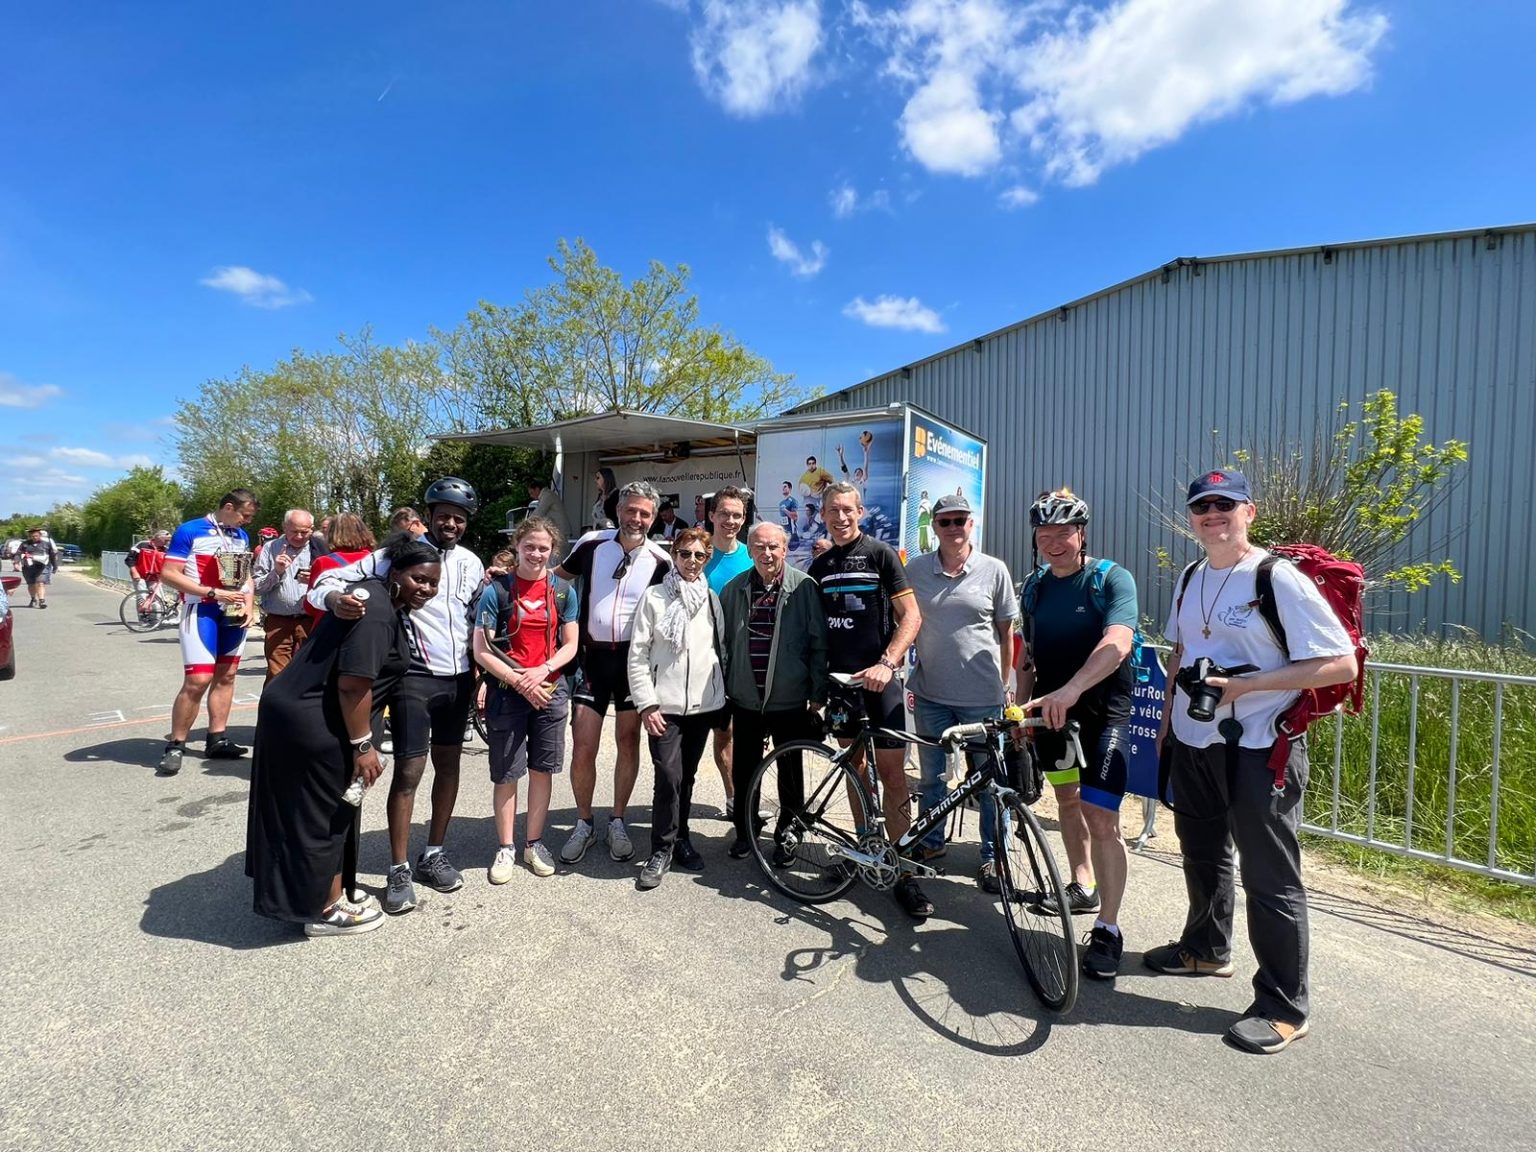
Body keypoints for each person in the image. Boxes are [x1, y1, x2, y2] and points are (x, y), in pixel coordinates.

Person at [1150, 469, 1356, 1055]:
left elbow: (1341, 664)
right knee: (1201, 852)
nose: (1212, 514)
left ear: (1249, 512)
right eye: (1201, 506)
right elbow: (1182, 652)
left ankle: (1284, 1004)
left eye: (1224, 504)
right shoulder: (1191, 575)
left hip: (1263, 745)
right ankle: (1205, 950)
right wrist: (1167, 724)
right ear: (1191, 518)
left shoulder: (1276, 577)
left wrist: (1249, 687)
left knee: (1269, 876)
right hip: (1196, 739)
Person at [245, 536, 442, 937]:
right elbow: (353, 685)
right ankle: (324, 910)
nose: (426, 588)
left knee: (326, 813)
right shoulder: (374, 610)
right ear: (396, 573)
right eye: (418, 578)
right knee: (324, 816)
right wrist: (364, 747)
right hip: (313, 719)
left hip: (307, 712)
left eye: (433, 582)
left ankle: (324, 896)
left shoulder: (379, 601)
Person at [307, 477, 485, 915]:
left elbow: (478, 618)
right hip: (415, 679)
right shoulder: (393, 556)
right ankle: (398, 867)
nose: (450, 523)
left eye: (459, 518)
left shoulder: (472, 563)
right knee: (408, 772)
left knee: (449, 769)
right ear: (428, 516)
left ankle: (433, 852)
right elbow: (324, 580)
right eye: (443, 514)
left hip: (459, 680)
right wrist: (334, 598)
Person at [1016, 488, 1140, 979]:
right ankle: (1081, 883)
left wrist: (1070, 691)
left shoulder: (1109, 578)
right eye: (1044, 534)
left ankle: (1108, 929)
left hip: (1103, 713)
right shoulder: (1034, 586)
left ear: (1081, 532)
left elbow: (1118, 643)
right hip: (1050, 713)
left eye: (1063, 532)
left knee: (1102, 818)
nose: (1053, 542)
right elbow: (1028, 654)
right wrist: (1019, 710)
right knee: (1066, 802)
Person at [809, 481, 927, 917]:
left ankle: (903, 866)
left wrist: (889, 662)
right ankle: (865, 850)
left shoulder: (880, 554)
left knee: (894, 777)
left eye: (847, 510)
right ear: (823, 515)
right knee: (855, 773)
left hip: (881, 683)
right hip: (842, 687)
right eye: (832, 511)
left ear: (860, 511)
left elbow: (911, 615)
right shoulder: (820, 564)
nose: (840, 518)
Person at [554, 480, 671, 865]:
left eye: (645, 513)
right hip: (591, 659)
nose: (636, 518)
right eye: (631, 510)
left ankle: (617, 819)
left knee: (627, 742)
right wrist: (507, 579)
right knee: (583, 745)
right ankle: (584, 822)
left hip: (632, 664)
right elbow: (556, 577)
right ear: (618, 510)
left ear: (653, 518)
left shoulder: (660, 559)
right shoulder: (591, 543)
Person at [907, 494, 1018, 895]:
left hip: (982, 699)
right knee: (932, 778)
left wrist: (1007, 686)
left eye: (960, 520)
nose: (954, 528)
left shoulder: (994, 570)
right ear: (934, 527)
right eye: (945, 521)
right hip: (931, 694)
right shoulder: (916, 570)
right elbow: (905, 621)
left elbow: (1007, 633)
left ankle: (994, 854)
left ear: (973, 524)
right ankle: (932, 843)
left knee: (989, 783)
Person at [472, 516, 579, 885]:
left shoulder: (563, 590)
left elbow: (571, 644)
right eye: (529, 546)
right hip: (508, 690)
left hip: (549, 689)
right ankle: (505, 846)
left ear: (553, 552)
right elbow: (481, 648)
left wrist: (542, 670)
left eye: (543, 548)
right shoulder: (497, 590)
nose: (536, 553)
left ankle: (534, 842)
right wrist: (519, 680)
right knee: (507, 772)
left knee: (541, 769)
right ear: (517, 546)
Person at [719, 523, 827, 857]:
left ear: (785, 548)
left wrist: (817, 696)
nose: (767, 554)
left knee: (790, 770)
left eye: (774, 547)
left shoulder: (804, 587)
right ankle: (745, 829)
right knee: (745, 768)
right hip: (745, 698)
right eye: (760, 547)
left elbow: (818, 645)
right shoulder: (734, 589)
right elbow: (723, 647)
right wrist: (722, 693)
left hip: (789, 699)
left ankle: (788, 832)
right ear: (749, 550)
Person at [628, 528, 726, 889]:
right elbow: (638, 654)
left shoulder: (711, 599)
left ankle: (682, 838)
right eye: (685, 554)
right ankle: (661, 849)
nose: (691, 562)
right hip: (662, 706)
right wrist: (646, 702)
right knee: (667, 775)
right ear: (674, 554)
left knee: (686, 777)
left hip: (702, 706)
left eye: (700, 556)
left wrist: (721, 696)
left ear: (707, 559)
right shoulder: (655, 597)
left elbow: (720, 649)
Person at [155, 490, 259, 776]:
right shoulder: (190, 530)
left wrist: (249, 603)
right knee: (198, 679)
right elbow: (169, 574)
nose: (247, 521)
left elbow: (244, 574)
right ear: (228, 507)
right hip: (201, 609)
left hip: (232, 610)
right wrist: (212, 592)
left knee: (227, 675)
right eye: (245, 515)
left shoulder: (240, 535)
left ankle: (218, 737)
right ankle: (176, 744)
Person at [702, 486, 753, 820]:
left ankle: (738, 799)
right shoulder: (697, 555)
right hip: (703, 662)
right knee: (719, 734)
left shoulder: (753, 555)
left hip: (744, 662)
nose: (730, 521)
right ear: (712, 516)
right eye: (724, 514)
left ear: (744, 518)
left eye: (737, 515)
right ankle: (733, 795)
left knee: (739, 734)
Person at [252, 509, 319, 681]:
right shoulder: (270, 548)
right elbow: (257, 587)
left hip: (310, 620)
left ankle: (304, 708)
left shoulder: (318, 548)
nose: (299, 536)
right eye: (294, 531)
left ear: (312, 529)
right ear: (284, 527)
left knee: (310, 672)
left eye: (304, 532)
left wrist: (314, 579)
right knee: (277, 674)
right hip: (278, 621)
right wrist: (277, 572)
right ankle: (274, 707)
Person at [303, 513, 377, 627]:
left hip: (331, 628)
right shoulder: (376, 561)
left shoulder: (323, 562)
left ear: (331, 534)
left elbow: (310, 607)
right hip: (369, 625)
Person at [126, 530, 171, 613]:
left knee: (157, 597)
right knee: (142, 597)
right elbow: (130, 558)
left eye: (168, 540)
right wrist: (134, 571)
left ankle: (156, 619)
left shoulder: (165, 550)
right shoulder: (142, 545)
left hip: (154, 577)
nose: (167, 542)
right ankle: (143, 618)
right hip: (140, 575)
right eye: (166, 540)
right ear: (158, 537)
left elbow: (168, 564)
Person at [17, 527, 59, 608]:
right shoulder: (24, 544)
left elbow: (52, 556)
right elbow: (18, 553)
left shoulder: (46, 544)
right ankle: (33, 599)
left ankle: (41, 601)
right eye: (32, 536)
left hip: (42, 566)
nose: (34, 537)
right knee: (31, 584)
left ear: (40, 535)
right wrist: (17, 561)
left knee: (40, 583)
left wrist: (55, 566)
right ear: (30, 536)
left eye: (36, 536)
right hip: (28, 567)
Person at [527, 479, 572, 545]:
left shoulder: (547, 496)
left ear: (537, 489)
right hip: (558, 532)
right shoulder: (546, 495)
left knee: (559, 554)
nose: (531, 496)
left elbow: (538, 513)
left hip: (560, 532)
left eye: (531, 493)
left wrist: (524, 525)